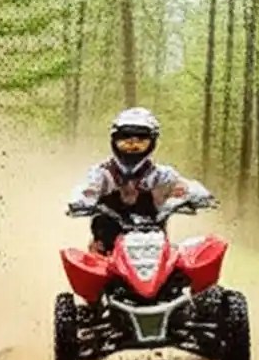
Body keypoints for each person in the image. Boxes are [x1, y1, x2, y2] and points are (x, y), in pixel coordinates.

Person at [66, 107, 213, 254]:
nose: (132, 148)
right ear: (114, 141)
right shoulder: (102, 174)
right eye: (125, 142)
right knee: (82, 261)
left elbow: (183, 186)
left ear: (152, 143)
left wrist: (197, 195)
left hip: (155, 248)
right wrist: (81, 201)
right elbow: (86, 189)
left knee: (193, 257)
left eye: (140, 143)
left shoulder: (161, 175)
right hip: (106, 250)